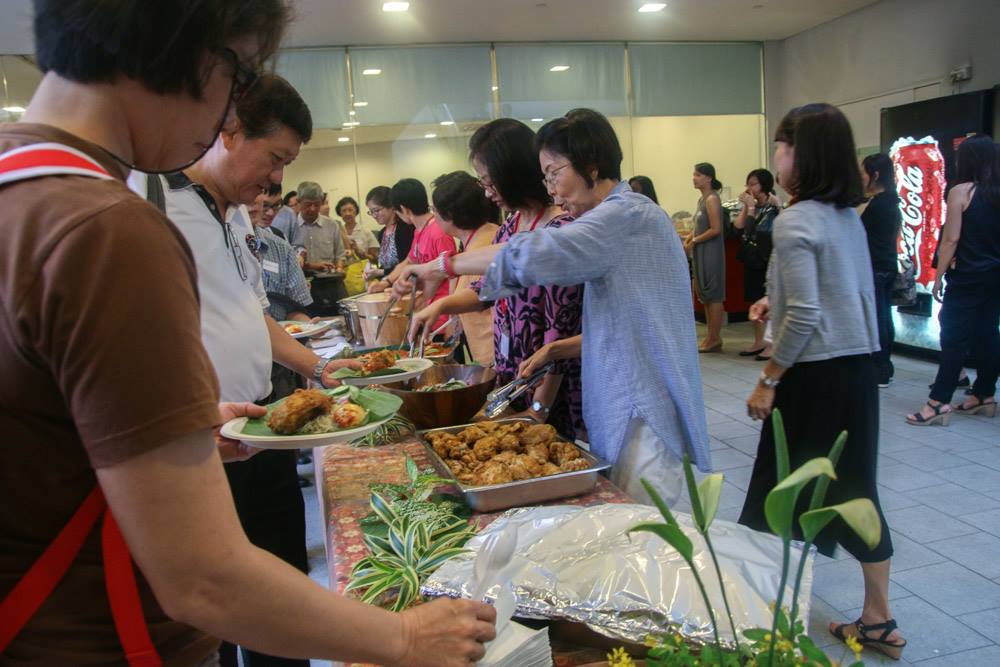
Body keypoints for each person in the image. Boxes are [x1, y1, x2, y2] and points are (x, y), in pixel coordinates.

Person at [0, 1, 494, 665]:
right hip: (102, 637)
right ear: (189, 47)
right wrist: (404, 636)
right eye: (239, 75)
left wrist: (172, 430)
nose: (229, 112)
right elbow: (203, 577)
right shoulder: (108, 229)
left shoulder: (24, 190)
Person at [400, 109, 709, 504]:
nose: (552, 190)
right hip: (619, 398)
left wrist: (445, 265)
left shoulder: (626, 215)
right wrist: (558, 348)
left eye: (554, 173)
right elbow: (615, 317)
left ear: (591, 166)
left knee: (645, 524)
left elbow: (544, 253)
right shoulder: (610, 216)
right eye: (544, 177)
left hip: (640, 407)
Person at [738, 103, 903, 660]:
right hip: (855, 373)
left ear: (802, 157)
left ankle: (763, 619)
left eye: (782, 148)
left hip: (814, 378)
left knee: (778, 495)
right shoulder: (843, 216)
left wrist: (768, 378)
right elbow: (838, 295)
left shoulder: (796, 219)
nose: (776, 158)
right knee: (855, 490)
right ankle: (879, 619)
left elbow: (807, 316)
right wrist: (774, 300)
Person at [408, 118, 585, 437]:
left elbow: (561, 328)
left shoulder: (561, 230)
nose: (488, 194)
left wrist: (538, 410)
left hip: (549, 391)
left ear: (514, 174)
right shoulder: (511, 225)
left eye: (491, 183)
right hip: (515, 381)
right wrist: (440, 306)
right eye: (483, 184)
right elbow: (487, 290)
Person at [907, 135, 1000, 425]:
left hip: (968, 276)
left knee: (953, 338)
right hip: (995, 277)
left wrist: (938, 275)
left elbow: (951, 239)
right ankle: (983, 394)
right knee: (988, 334)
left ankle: (938, 403)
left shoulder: (962, 191)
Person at [428, 171, 499, 365]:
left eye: (434, 210)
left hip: (494, 354)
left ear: (449, 215)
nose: (433, 216)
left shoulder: (481, 249)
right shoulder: (487, 233)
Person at [367, 179, 456, 322]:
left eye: (396, 211)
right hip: (426, 310)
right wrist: (386, 282)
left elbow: (451, 274)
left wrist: (453, 318)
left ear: (404, 209)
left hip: (441, 315)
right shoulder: (419, 231)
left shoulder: (439, 232)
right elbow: (409, 261)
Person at [860, 153, 902, 387]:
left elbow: (859, 232)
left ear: (875, 175)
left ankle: (881, 367)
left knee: (878, 319)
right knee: (884, 317)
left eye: (863, 173)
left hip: (876, 266)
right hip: (886, 264)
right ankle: (885, 365)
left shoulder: (878, 204)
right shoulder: (890, 201)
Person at [733, 168, 780, 359]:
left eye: (753, 184)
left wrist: (753, 209)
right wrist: (747, 208)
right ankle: (759, 341)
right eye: (748, 184)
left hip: (767, 258)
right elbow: (738, 230)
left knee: (768, 301)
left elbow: (760, 231)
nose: (749, 188)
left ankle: (771, 344)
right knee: (754, 300)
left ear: (764, 184)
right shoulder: (751, 206)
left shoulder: (773, 206)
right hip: (752, 259)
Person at [251, 184, 313, 324]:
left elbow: (297, 306)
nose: (271, 213)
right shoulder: (221, 247)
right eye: (265, 205)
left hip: (281, 338)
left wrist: (306, 326)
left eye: (276, 206)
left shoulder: (281, 248)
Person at [686, 162, 726, 352]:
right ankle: (711, 336)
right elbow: (700, 226)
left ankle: (715, 337)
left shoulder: (712, 199)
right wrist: (690, 237)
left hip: (711, 251)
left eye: (698, 175)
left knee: (714, 293)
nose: (694, 178)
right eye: (694, 174)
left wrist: (695, 240)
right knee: (706, 295)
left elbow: (716, 229)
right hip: (701, 250)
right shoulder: (702, 200)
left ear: (709, 178)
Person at [291, 181, 346, 272]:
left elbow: (340, 255)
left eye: (317, 205)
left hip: (328, 279)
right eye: (308, 205)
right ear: (299, 202)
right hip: (301, 280)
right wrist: (311, 266)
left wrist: (339, 268)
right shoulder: (291, 226)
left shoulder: (331, 225)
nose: (313, 209)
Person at [366, 184, 414, 282]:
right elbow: (383, 264)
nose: (374, 215)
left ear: (391, 206)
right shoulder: (382, 233)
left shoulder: (404, 228)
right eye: (371, 212)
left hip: (404, 284)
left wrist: (380, 272)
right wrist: (372, 268)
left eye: (377, 210)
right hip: (388, 286)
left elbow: (409, 263)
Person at [338, 195, 379, 262]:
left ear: (356, 211)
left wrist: (358, 251)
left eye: (350, 210)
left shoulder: (366, 231)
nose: (347, 213)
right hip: (342, 270)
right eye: (344, 211)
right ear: (340, 213)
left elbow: (375, 260)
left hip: (362, 270)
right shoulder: (337, 232)